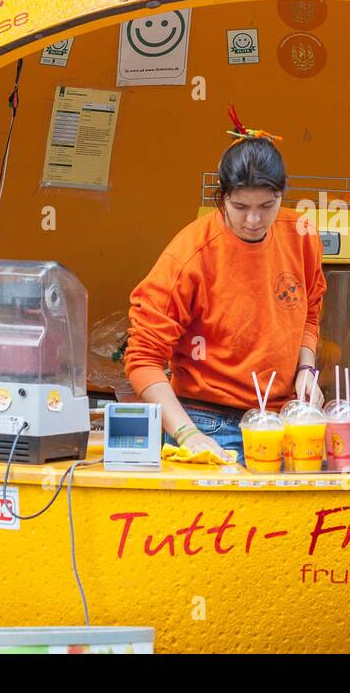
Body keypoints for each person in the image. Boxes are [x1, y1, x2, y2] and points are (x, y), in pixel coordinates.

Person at [123, 122, 327, 463]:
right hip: (208, 422)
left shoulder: (303, 234)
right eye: (240, 206)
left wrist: (306, 368)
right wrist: (188, 434)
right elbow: (143, 359)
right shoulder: (189, 254)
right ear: (221, 198)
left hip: (282, 420)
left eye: (267, 205)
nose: (253, 219)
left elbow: (310, 309)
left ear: (282, 195)